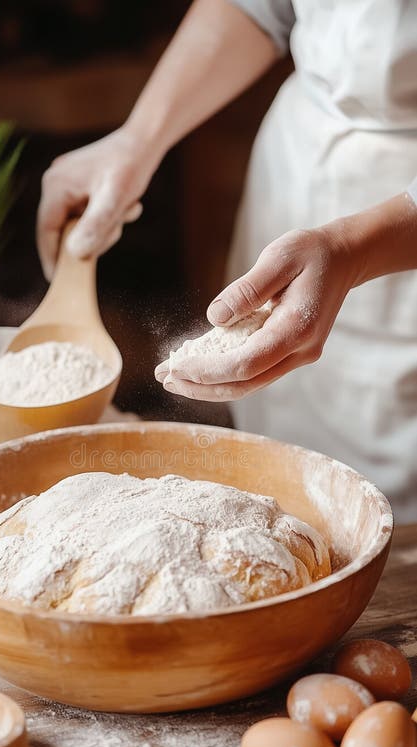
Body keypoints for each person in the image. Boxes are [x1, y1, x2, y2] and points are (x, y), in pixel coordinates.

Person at [36, 0, 417, 520]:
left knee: (389, 533)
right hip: (304, 155)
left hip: (403, 231)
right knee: (280, 494)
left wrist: (352, 250)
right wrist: (139, 138)